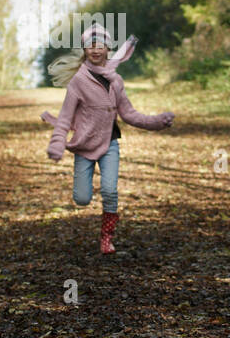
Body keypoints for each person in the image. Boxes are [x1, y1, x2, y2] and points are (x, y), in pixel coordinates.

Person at [43, 25, 174, 254]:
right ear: (85, 49)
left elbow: (130, 115)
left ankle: (106, 238)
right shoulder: (78, 82)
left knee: (110, 191)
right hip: (84, 146)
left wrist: (157, 122)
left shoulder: (116, 81)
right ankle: (90, 203)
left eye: (100, 45)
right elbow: (64, 118)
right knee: (82, 198)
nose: (95, 49)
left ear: (108, 48)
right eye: (91, 45)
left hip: (110, 144)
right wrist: (57, 143)